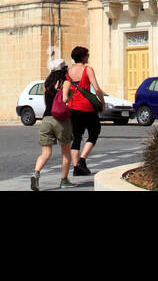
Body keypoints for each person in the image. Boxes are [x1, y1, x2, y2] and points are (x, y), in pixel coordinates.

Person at [31, 60, 73, 191]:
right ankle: (64, 180)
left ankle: (36, 173)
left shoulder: (46, 83)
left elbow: (45, 101)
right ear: (63, 70)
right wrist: (71, 94)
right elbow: (65, 99)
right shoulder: (65, 83)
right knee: (65, 151)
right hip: (60, 119)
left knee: (45, 153)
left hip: (46, 119)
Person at [67, 45, 105, 177]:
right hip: (87, 107)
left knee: (76, 137)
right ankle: (82, 160)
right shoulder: (88, 69)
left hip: (73, 107)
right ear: (83, 56)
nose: (88, 56)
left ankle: (76, 167)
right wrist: (102, 103)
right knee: (94, 132)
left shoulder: (69, 71)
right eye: (87, 54)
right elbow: (97, 88)